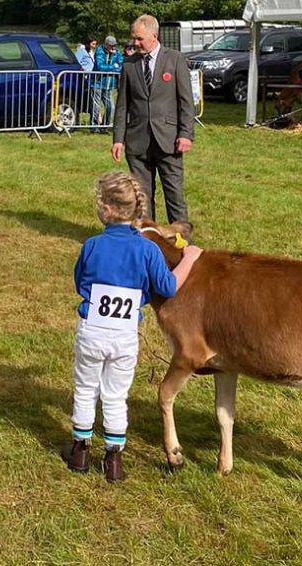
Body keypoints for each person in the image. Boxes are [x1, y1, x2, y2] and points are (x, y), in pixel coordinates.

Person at [65, 171, 203, 480]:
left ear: (107, 209)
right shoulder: (149, 251)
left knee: (86, 389)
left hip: (92, 330)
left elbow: (79, 282)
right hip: (125, 335)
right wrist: (190, 259)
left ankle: (80, 451)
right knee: (116, 394)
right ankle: (114, 460)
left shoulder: (91, 245)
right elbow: (167, 287)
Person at [112, 14, 195, 224]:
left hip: (169, 141)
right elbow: (122, 105)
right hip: (138, 142)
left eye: (139, 39)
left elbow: (186, 102)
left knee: (174, 195)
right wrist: (118, 139)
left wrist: (186, 134)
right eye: (134, 38)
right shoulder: (129, 64)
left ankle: (182, 244)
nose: (135, 43)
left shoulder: (175, 59)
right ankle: (148, 241)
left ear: (154, 36)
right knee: (142, 198)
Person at [93, 35, 123, 132]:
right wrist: (114, 67)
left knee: (111, 106)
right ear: (106, 45)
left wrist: (114, 67)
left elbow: (121, 65)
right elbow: (101, 66)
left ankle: (104, 126)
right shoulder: (99, 51)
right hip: (97, 83)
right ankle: (94, 127)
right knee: (96, 106)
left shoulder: (117, 52)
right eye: (112, 46)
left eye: (115, 45)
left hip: (109, 84)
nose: (114, 48)